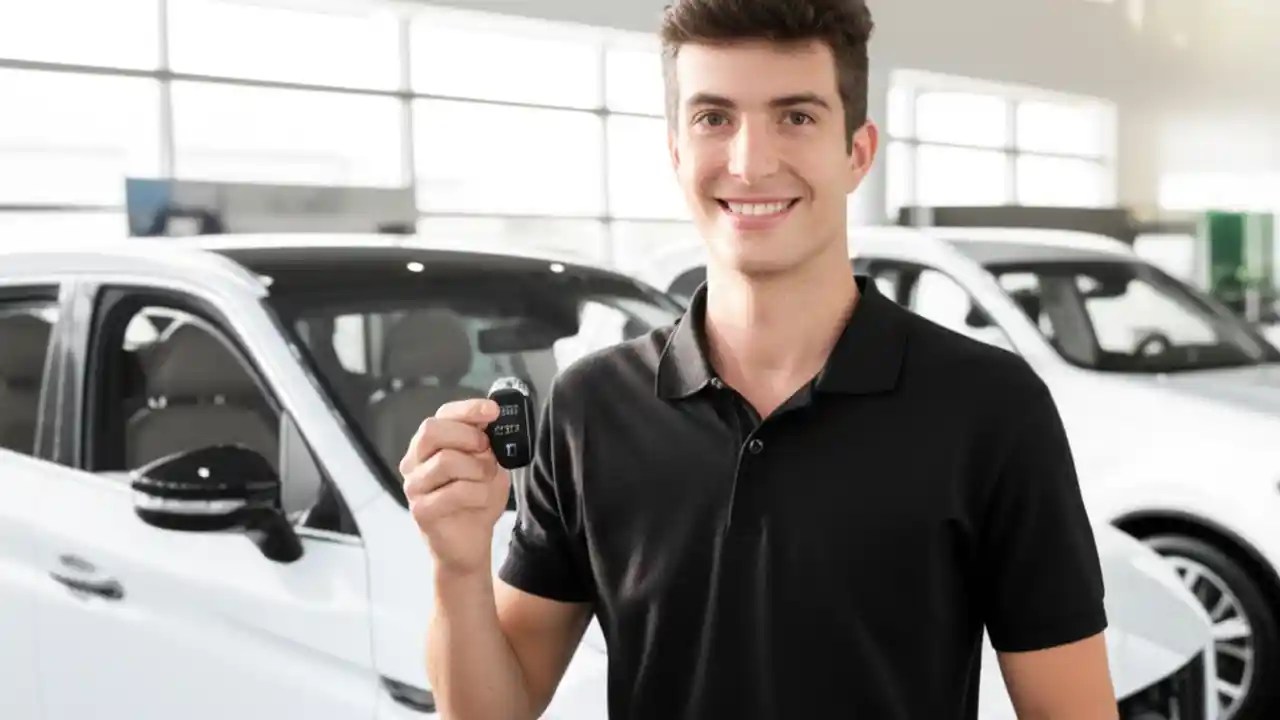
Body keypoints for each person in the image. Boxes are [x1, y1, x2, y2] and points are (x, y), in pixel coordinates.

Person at [399, 0, 1119, 717]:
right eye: (714, 118)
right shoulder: (592, 407)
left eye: (796, 117)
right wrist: (457, 567)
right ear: (677, 152)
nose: (750, 162)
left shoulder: (988, 407)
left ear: (857, 152)